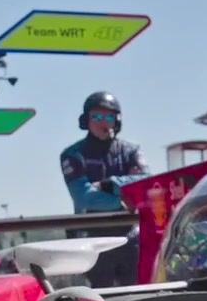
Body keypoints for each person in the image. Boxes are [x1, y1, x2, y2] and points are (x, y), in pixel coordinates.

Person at [61, 91, 146, 287]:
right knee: (99, 300)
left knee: (137, 296)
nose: (103, 122)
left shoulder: (132, 150)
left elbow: (145, 184)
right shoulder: (72, 154)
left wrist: (110, 184)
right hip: (92, 238)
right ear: (86, 120)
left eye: (109, 116)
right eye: (97, 116)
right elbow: (84, 198)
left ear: (117, 120)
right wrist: (126, 196)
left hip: (130, 236)